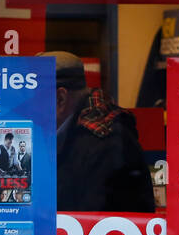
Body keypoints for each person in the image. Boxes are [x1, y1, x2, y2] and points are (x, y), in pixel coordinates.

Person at [39, 51, 155, 212]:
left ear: (60, 99)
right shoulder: (71, 131)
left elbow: (83, 221)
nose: (28, 113)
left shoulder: (105, 143)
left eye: (34, 102)